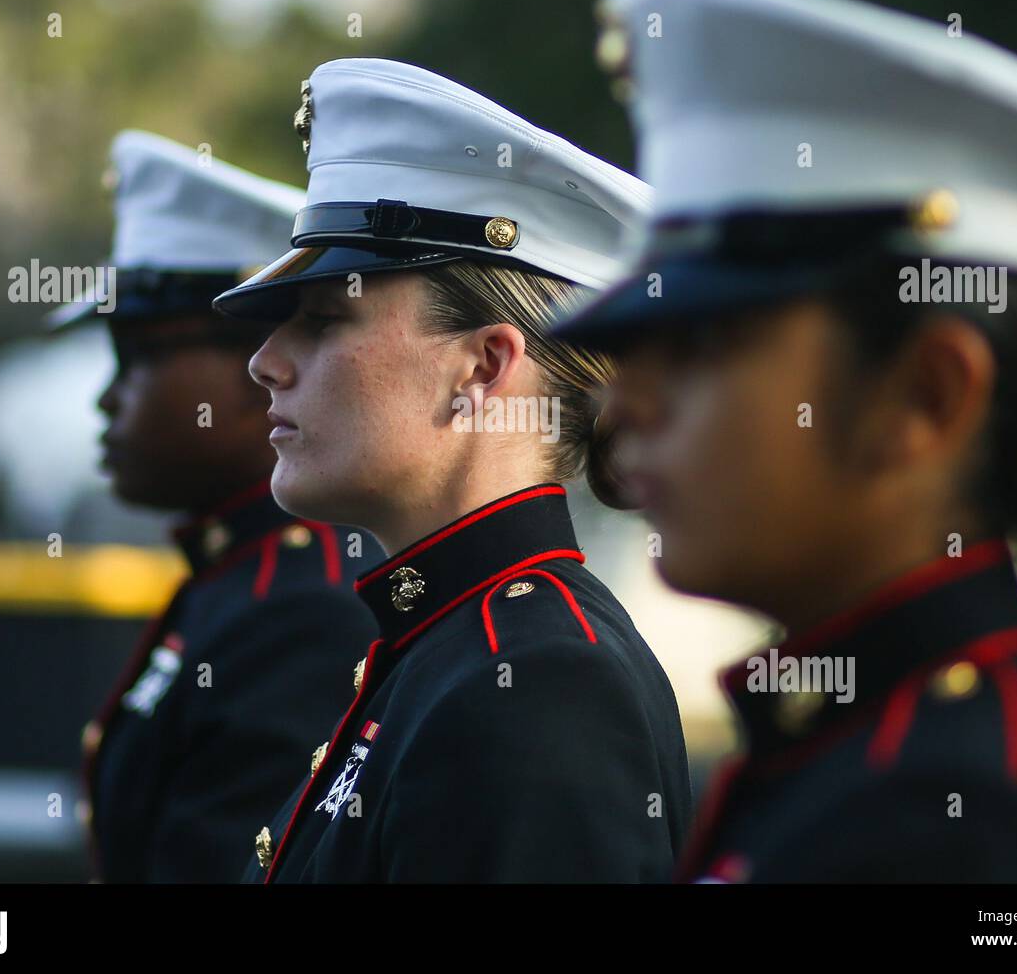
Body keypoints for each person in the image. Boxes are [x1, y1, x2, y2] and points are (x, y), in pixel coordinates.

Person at [552, 0, 1017, 882]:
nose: (623, 402)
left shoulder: (960, 826)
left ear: (926, 398)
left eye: (702, 344)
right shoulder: (870, 753)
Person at [213, 59, 692, 883]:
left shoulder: (539, 684)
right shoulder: (454, 646)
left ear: (483, 367)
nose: (265, 361)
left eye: (324, 320)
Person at [51, 130, 381, 882]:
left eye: (136, 357)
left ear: (258, 362)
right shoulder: (238, 577)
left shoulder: (302, 610)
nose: (107, 399)